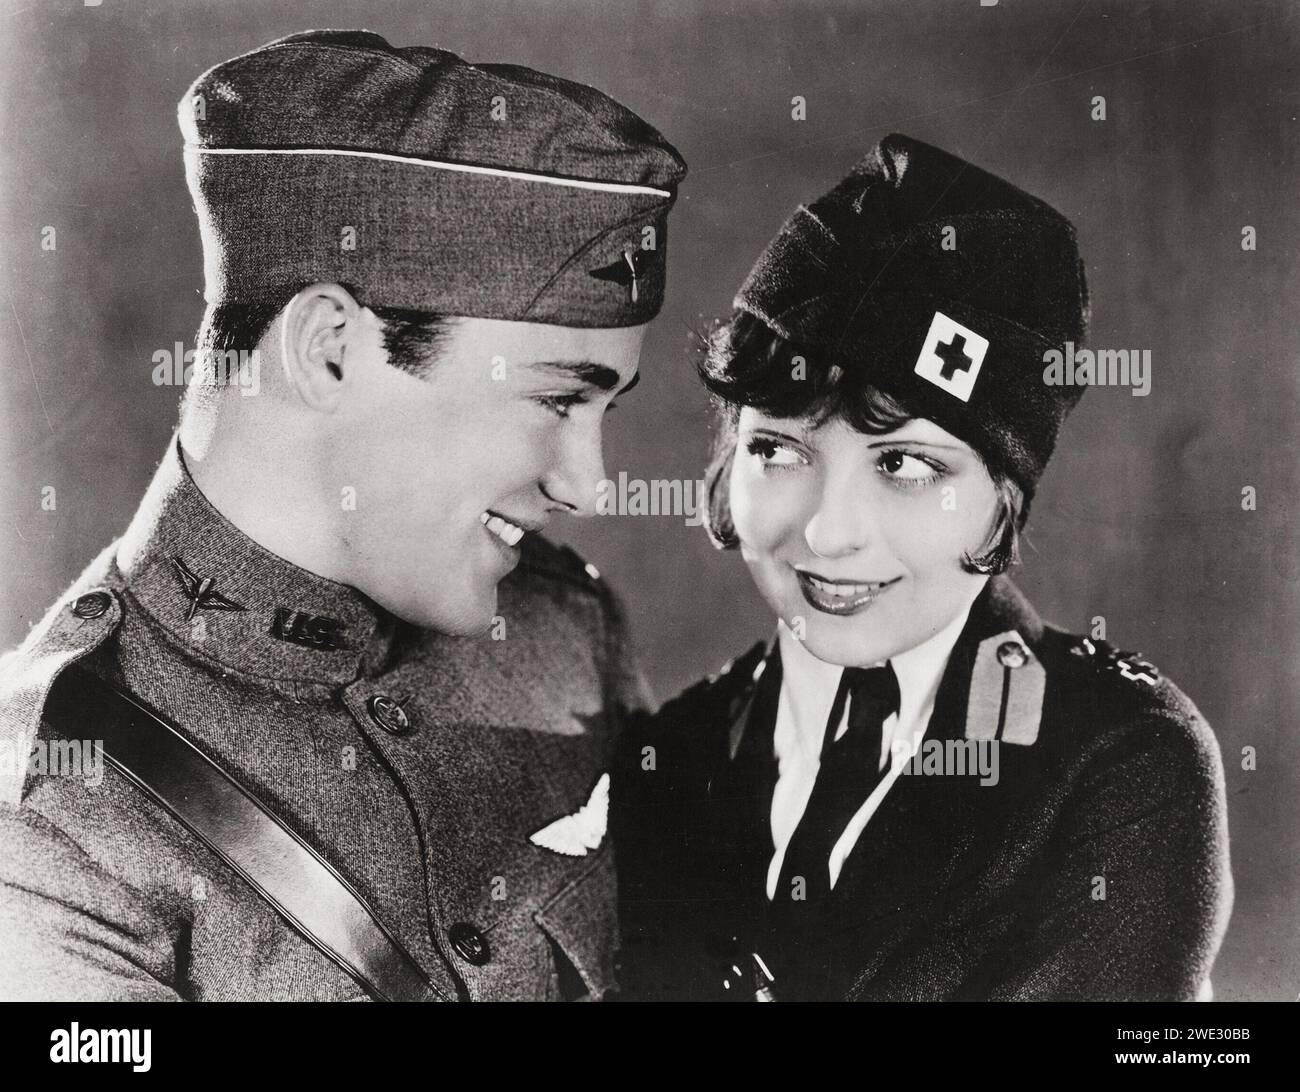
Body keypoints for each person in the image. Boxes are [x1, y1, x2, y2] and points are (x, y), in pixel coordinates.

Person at [0, 29, 685, 1001]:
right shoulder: (47, 822)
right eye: (554, 400)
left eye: (604, 409)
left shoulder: (562, 635)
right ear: (327, 349)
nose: (586, 483)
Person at [612, 133, 1232, 1002]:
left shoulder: (1115, 758)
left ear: (1002, 496)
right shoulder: (670, 755)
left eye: (905, 464)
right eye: (780, 451)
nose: (829, 534)